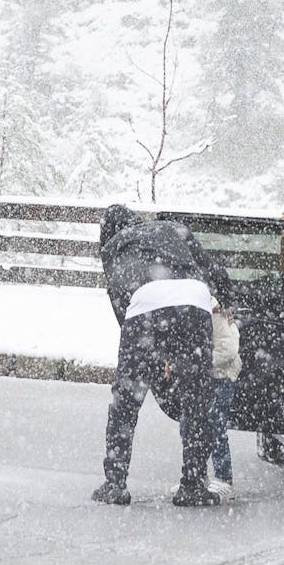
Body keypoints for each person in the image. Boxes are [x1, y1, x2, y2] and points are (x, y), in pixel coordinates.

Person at [93, 217, 234, 507]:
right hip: (195, 303)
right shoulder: (170, 228)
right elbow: (215, 271)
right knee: (197, 400)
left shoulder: (112, 247)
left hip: (144, 309)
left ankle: (115, 484)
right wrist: (226, 301)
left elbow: (121, 303)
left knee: (126, 403)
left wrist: (147, 354)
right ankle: (193, 485)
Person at [179, 300, 241, 498]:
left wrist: (201, 361)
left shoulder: (214, 311)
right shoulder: (195, 310)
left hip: (221, 376)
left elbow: (229, 348)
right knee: (190, 426)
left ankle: (224, 478)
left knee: (215, 426)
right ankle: (198, 475)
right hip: (204, 376)